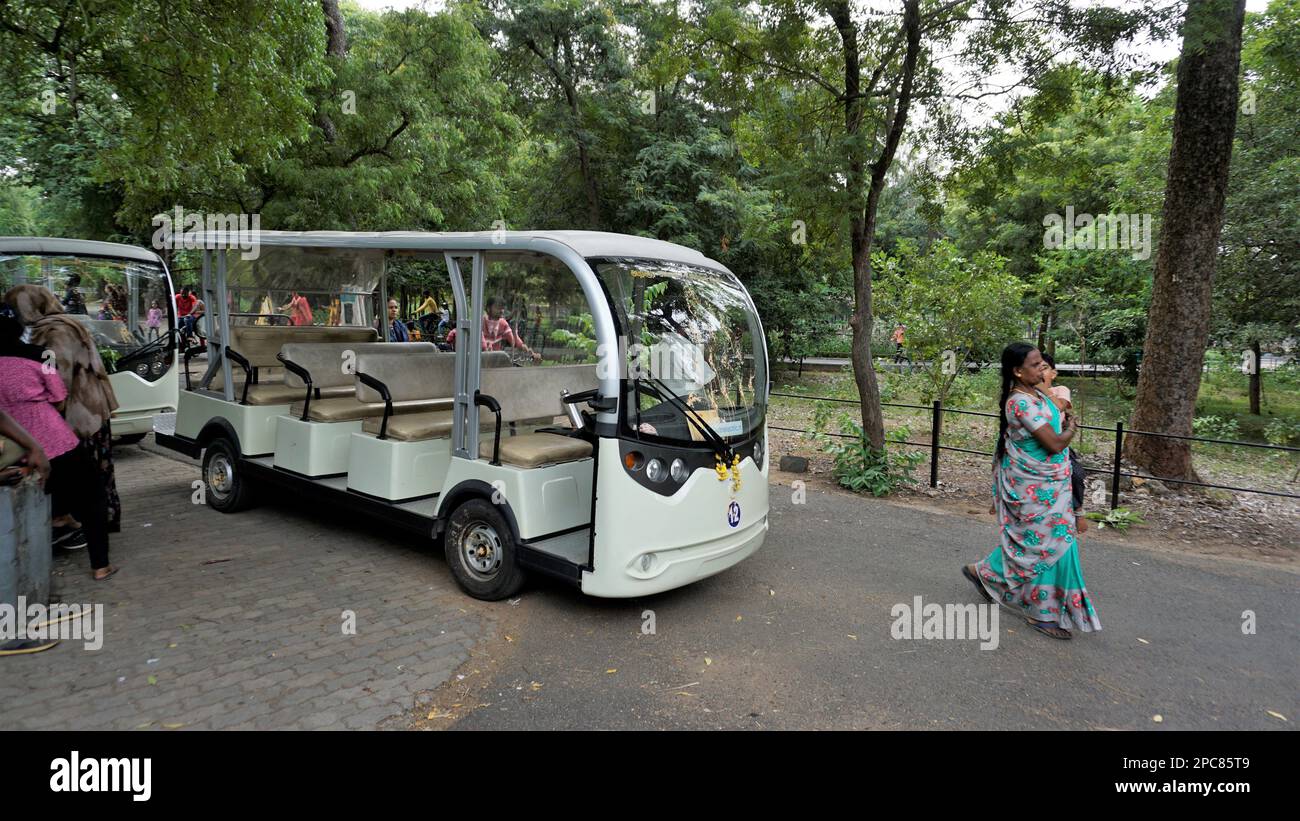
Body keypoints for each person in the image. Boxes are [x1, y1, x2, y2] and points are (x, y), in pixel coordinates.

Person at [962, 342, 1099, 640]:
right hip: (1032, 488)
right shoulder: (1019, 402)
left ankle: (985, 573)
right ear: (1018, 372)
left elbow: (1056, 411)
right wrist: (1071, 430)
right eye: (1036, 365)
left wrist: (1062, 406)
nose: (1043, 369)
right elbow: (1053, 443)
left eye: (1043, 364)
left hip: (1053, 484)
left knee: (1057, 543)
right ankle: (1042, 613)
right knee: (1041, 546)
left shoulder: (1037, 394)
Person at [0, 314, 115, 579]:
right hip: (52, 439)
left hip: (9, 448)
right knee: (91, 495)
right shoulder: (42, 355)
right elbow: (59, 396)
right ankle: (100, 565)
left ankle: (59, 520)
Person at [5, 284, 123, 534]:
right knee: (92, 475)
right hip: (85, 409)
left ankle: (88, 527)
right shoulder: (58, 325)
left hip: (79, 413)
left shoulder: (56, 330)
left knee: (86, 479)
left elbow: (59, 381)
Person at [1040, 352, 1087, 532]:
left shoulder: (1060, 390)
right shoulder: (1027, 395)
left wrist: (1040, 386)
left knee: (1075, 473)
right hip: (1036, 444)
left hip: (1058, 444)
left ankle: (1078, 511)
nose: (1040, 373)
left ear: (1054, 373)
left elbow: (1060, 406)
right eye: (1036, 368)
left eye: (1044, 368)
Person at [445, 296, 541, 361]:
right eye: (498, 307)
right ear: (488, 308)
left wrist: (531, 353)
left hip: (494, 361)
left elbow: (516, 342)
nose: (501, 310)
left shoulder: (503, 324)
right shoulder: (479, 322)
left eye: (502, 308)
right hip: (477, 361)